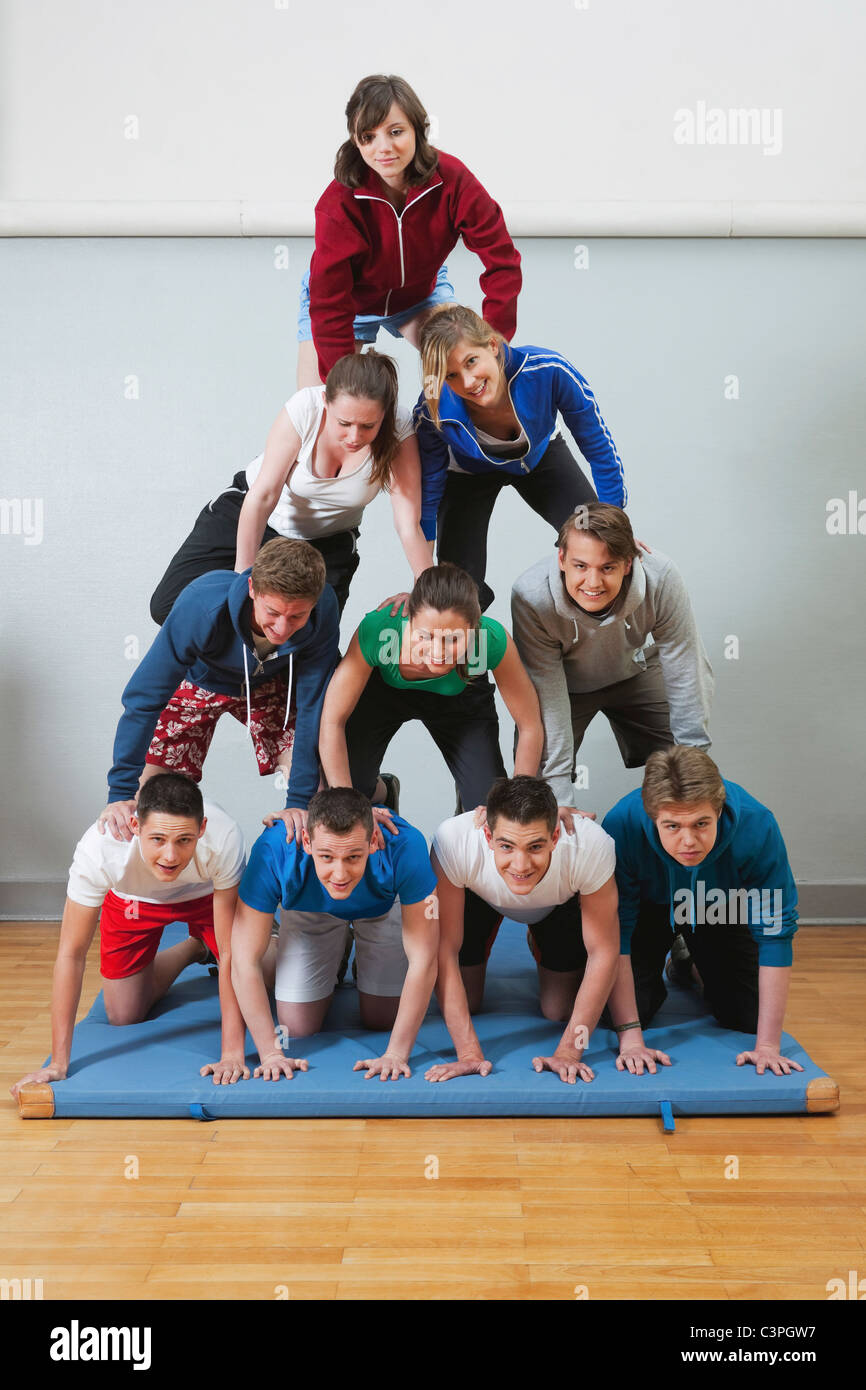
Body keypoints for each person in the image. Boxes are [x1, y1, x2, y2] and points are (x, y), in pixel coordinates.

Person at [10, 774, 252, 1098]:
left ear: (202, 829)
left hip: (206, 895)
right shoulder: (100, 848)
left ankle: (255, 943)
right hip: (134, 900)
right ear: (136, 827)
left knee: (259, 975)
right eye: (157, 840)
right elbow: (71, 954)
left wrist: (232, 1054)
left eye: (184, 840)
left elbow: (230, 952)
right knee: (124, 1014)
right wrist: (58, 1063)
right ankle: (194, 948)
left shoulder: (223, 835)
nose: (170, 856)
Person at [149, 353, 433, 623]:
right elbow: (263, 496)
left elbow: (408, 522)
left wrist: (425, 591)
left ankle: (268, 674)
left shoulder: (398, 428)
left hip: (326, 541)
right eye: (344, 423)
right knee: (168, 606)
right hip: (255, 515)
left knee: (308, 636)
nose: (354, 436)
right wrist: (242, 580)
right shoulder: (305, 408)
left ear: (385, 414)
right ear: (325, 401)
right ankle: (211, 671)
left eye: (368, 426)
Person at [100, 538, 339, 846]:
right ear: (252, 588)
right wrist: (119, 792)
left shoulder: (324, 609)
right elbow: (144, 697)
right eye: (272, 612)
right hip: (201, 681)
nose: (282, 628)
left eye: (296, 617)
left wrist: (298, 801)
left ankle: (375, 794)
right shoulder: (203, 604)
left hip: (270, 684)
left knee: (317, 799)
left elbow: (311, 706)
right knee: (145, 804)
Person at [428, 776, 659, 1086]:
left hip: (555, 904)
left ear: (554, 836)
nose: (521, 864)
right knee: (467, 1001)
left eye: (535, 846)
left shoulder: (590, 844)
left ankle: (536, 933)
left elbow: (604, 951)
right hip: (479, 897)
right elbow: (445, 949)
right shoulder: (453, 840)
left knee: (558, 1010)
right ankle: (500, 926)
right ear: (487, 835)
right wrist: (468, 1053)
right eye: (506, 846)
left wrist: (570, 1052)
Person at [299, 73, 521, 387]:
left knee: (473, 368)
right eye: (368, 136)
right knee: (327, 409)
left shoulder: (452, 180)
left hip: (420, 296)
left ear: (418, 128)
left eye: (396, 131)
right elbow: (329, 302)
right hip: (346, 302)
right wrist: (340, 389)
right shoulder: (339, 203)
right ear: (355, 140)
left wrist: (495, 339)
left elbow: (503, 261)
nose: (384, 148)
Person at [602, 746, 803, 1076]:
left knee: (747, 1015)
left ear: (719, 810)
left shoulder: (757, 824)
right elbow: (616, 933)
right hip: (647, 909)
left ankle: (688, 964)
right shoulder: (622, 824)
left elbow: (776, 930)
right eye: (672, 827)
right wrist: (632, 1040)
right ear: (653, 816)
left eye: (700, 823)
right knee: (619, 1013)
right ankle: (667, 961)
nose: (688, 841)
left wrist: (767, 1046)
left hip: (718, 905)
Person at [415, 305, 628, 609]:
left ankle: (609, 643)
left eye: (471, 362)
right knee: (457, 592)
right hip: (467, 475)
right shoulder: (432, 410)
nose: (468, 382)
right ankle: (468, 651)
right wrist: (423, 571)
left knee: (599, 544)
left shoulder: (548, 370)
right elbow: (429, 489)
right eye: (451, 375)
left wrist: (616, 523)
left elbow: (597, 445)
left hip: (541, 459)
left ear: (492, 345)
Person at [230, 787, 439, 1081]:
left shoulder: (405, 843)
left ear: (373, 841)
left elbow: (425, 958)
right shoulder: (275, 846)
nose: (339, 874)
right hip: (310, 906)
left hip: (381, 904)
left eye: (353, 857)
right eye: (326, 856)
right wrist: (272, 1054)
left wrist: (395, 1053)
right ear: (307, 842)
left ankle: (355, 949)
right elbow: (243, 960)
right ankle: (327, 946)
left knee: (382, 1018)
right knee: (297, 1027)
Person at [511, 503, 713, 803]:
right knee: (542, 784)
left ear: (628, 564)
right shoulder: (531, 595)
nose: (593, 583)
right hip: (563, 688)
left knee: (689, 770)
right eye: (581, 566)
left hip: (634, 672)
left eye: (607, 568)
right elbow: (546, 691)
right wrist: (559, 798)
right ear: (562, 559)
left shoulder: (662, 576)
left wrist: (693, 761)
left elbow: (684, 663)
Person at [319, 564, 544, 818]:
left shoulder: (489, 639)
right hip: (384, 695)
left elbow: (530, 725)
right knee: (345, 788)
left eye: (453, 639)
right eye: (425, 636)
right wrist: (348, 802)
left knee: (491, 808)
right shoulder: (380, 630)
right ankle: (384, 792)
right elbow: (332, 719)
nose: (438, 653)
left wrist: (520, 794)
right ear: (409, 619)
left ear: (474, 627)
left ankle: (470, 794)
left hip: (460, 701)